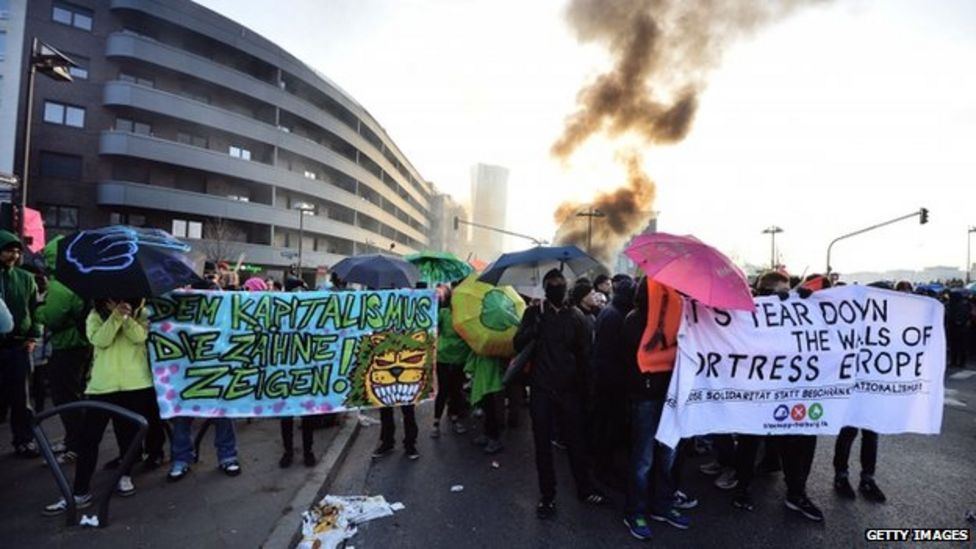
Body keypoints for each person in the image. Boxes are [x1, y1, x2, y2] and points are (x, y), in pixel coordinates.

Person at [43, 298, 156, 515]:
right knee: (89, 438)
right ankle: (80, 491)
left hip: (135, 384)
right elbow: (100, 340)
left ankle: (125, 475)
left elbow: (139, 337)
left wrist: (127, 317)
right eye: (112, 298)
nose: (117, 301)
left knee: (128, 435)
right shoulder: (94, 315)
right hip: (101, 386)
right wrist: (115, 317)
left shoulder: (142, 313)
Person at [514, 268, 605, 519]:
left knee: (576, 442)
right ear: (545, 287)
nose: (557, 286)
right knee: (542, 445)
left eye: (560, 283)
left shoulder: (576, 316)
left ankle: (584, 488)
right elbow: (517, 344)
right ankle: (547, 497)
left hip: (569, 391)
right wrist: (535, 327)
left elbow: (586, 357)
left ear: (565, 287)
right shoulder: (533, 313)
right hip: (541, 390)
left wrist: (588, 393)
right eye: (552, 283)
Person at [732, 271, 823, 521]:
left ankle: (796, 493)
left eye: (791, 291)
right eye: (784, 292)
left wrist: (811, 303)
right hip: (756, 394)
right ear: (768, 293)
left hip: (789, 394)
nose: (789, 295)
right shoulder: (746, 313)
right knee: (749, 444)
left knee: (799, 442)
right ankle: (742, 489)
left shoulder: (796, 310)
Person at [623, 277, 691, 540]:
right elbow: (629, 361)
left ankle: (662, 505)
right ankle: (634, 511)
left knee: (668, 455)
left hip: (672, 395)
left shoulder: (682, 318)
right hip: (645, 398)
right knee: (643, 460)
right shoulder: (634, 319)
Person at [168, 278, 242, 481]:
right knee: (182, 417)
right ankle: (182, 459)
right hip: (187, 376)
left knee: (223, 416)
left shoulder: (224, 315)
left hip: (216, 373)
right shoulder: (181, 315)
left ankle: (227, 456)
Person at [35, 238, 92, 464]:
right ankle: (74, 441)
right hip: (82, 345)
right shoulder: (83, 279)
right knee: (76, 394)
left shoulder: (61, 285)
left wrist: (38, 309)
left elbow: (52, 318)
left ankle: (75, 445)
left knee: (66, 398)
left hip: (66, 347)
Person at [589, 275, 635, 485]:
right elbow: (621, 351)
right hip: (613, 381)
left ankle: (601, 466)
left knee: (602, 426)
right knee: (609, 428)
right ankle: (605, 470)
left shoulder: (610, 311)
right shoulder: (619, 316)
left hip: (603, 378)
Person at [0, 230, 41, 458]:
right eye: (8, 250)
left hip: (19, 347)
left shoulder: (26, 278)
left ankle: (24, 440)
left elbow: (36, 311)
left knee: (21, 398)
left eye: (17, 251)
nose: (13, 255)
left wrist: (33, 336)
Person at [432, 284, 469, 438]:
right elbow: (434, 327)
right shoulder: (444, 313)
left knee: (456, 390)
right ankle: (436, 421)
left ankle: (453, 417)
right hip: (445, 358)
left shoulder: (465, 316)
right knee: (444, 390)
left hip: (457, 357)